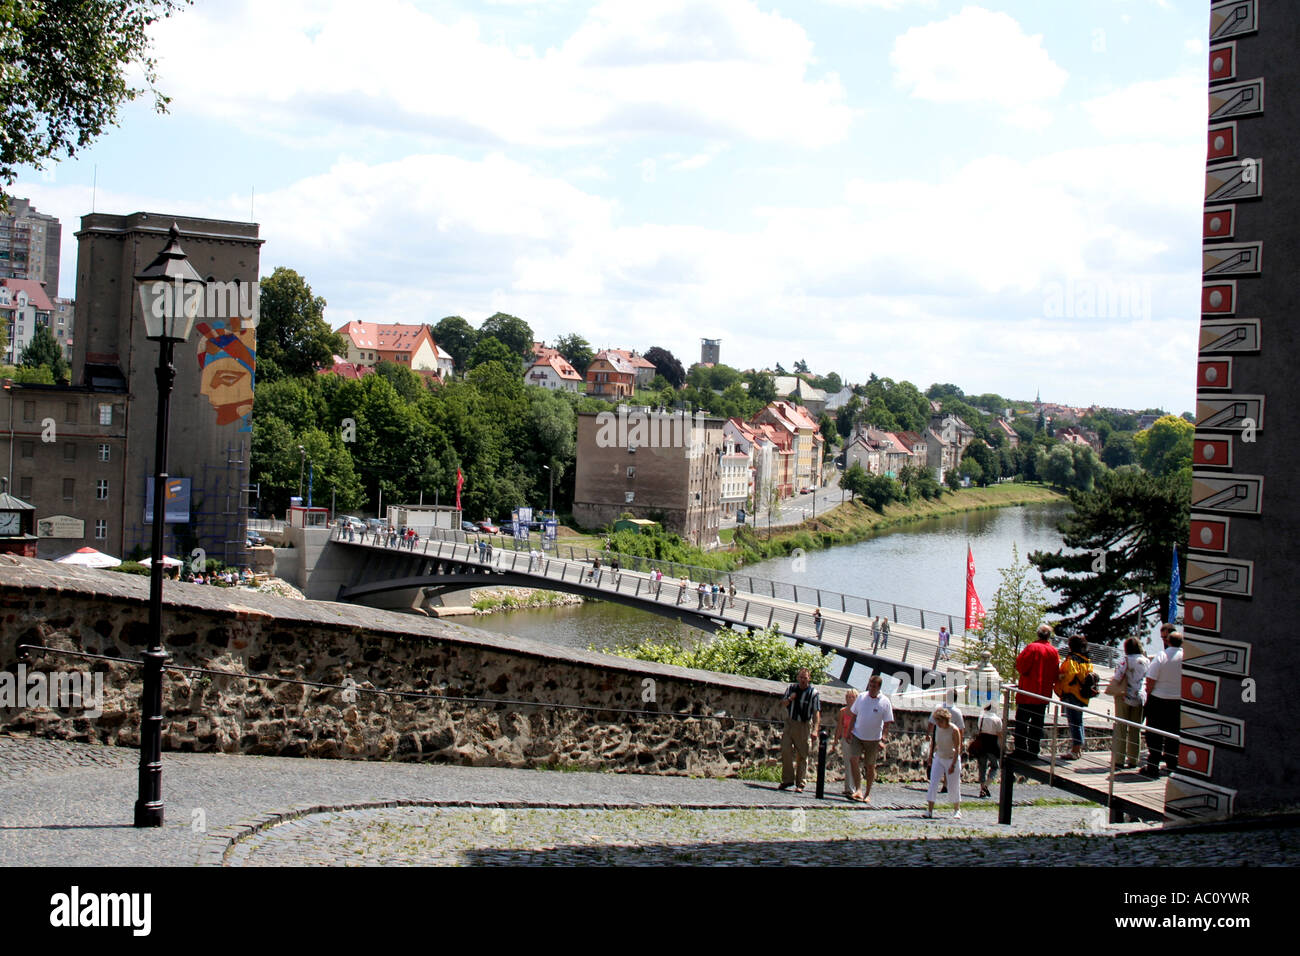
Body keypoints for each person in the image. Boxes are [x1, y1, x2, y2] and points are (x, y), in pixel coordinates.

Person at [1013, 624, 1060, 759]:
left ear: (1038, 634)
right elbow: (1056, 673)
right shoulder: (1053, 651)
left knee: (1022, 722)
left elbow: (1021, 667)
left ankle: (1020, 749)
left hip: (1028, 692)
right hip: (1043, 694)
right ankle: (1034, 750)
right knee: (1037, 724)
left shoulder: (1032, 647)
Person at [1144, 626, 1183, 776]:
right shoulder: (1186, 658)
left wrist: (1149, 694)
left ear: (1168, 641)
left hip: (1159, 699)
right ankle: (1172, 763)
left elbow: (1151, 679)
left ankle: (1152, 765)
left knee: (1154, 734)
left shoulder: (1162, 656)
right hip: (1177, 700)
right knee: (1173, 734)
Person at [847, 674, 893, 803]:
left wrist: (883, 739)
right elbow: (854, 715)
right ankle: (858, 789)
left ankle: (867, 793)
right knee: (853, 759)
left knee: (870, 765)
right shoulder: (861, 697)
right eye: (870, 685)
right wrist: (849, 731)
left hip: (873, 738)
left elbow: (887, 722)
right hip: (857, 734)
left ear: (879, 687)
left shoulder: (884, 701)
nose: (871, 688)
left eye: (874, 686)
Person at [779, 668, 821, 792]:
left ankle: (801, 783)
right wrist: (790, 699)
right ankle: (787, 780)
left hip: (804, 725)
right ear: (798, 678)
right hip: (790, 723)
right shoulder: (791, 688)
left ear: (809, 679)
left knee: (802, 754)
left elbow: (816, 712)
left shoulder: (813, 693)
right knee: (786, 750)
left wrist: (815, 730)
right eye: (801, 677)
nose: (803, 680)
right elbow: (784, 703)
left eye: (805, 678)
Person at [1111, 636, 1149, 770]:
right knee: (1135, 729)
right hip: (1139, 697)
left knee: (1121, 727)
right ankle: (1133, 759)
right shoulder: (1146, 661)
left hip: (1124, 696)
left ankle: (1119, 759)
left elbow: (1117, 677)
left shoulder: (1125, 660)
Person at [1055, 635, 1094, 760]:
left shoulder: (1072, 659)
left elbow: (1069, 674)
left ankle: (1075, 750)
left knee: (1074, 722)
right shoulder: (1086, 660)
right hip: (1082, 694)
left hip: (1071, 693)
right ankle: (1078, 748)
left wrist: (1060, 679)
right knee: (1079, 721)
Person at [925, 707, 963, 819]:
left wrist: (953, 764)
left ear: (946, 720)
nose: (938, 723)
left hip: (951, 758)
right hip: (939, 757)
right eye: (937, 721)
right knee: (933, 782)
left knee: (954, 784)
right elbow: (934, 742)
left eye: (940, 721)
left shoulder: (954, 730)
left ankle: (957, 809)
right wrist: (930, 757)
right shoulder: (937, 728)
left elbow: (957, 748)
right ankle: (929, 810)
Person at [927, 691, 964, 793]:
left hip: (939, 734)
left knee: (937, 756)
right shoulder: (957, 711)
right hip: (951, 736)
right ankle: (945, 783)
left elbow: (931, 722)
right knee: (948, 757)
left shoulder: (938, 708)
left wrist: (927, 734)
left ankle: (937, 778)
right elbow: (961, 729)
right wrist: (960, 743)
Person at [973, 702, 1003, 798]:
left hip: (982, 743)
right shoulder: (997, 720)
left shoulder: (981, 718)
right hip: (992, 744)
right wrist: (1003, 747)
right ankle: (986, 786)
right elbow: (1000, 734)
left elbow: (979, 729)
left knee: (982, 767)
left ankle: (983, 789)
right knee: (995, 766)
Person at [836, 689, 859, 797]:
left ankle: (854, 788)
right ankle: (848, 788)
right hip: (845, 739)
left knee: (854, 763)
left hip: (855, 740)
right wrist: (836, 739)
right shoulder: (843, 711)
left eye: (852, 697)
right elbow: (840, 726)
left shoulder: (859, 711)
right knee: (847, 763)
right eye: (848, 697)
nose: (850, 699)